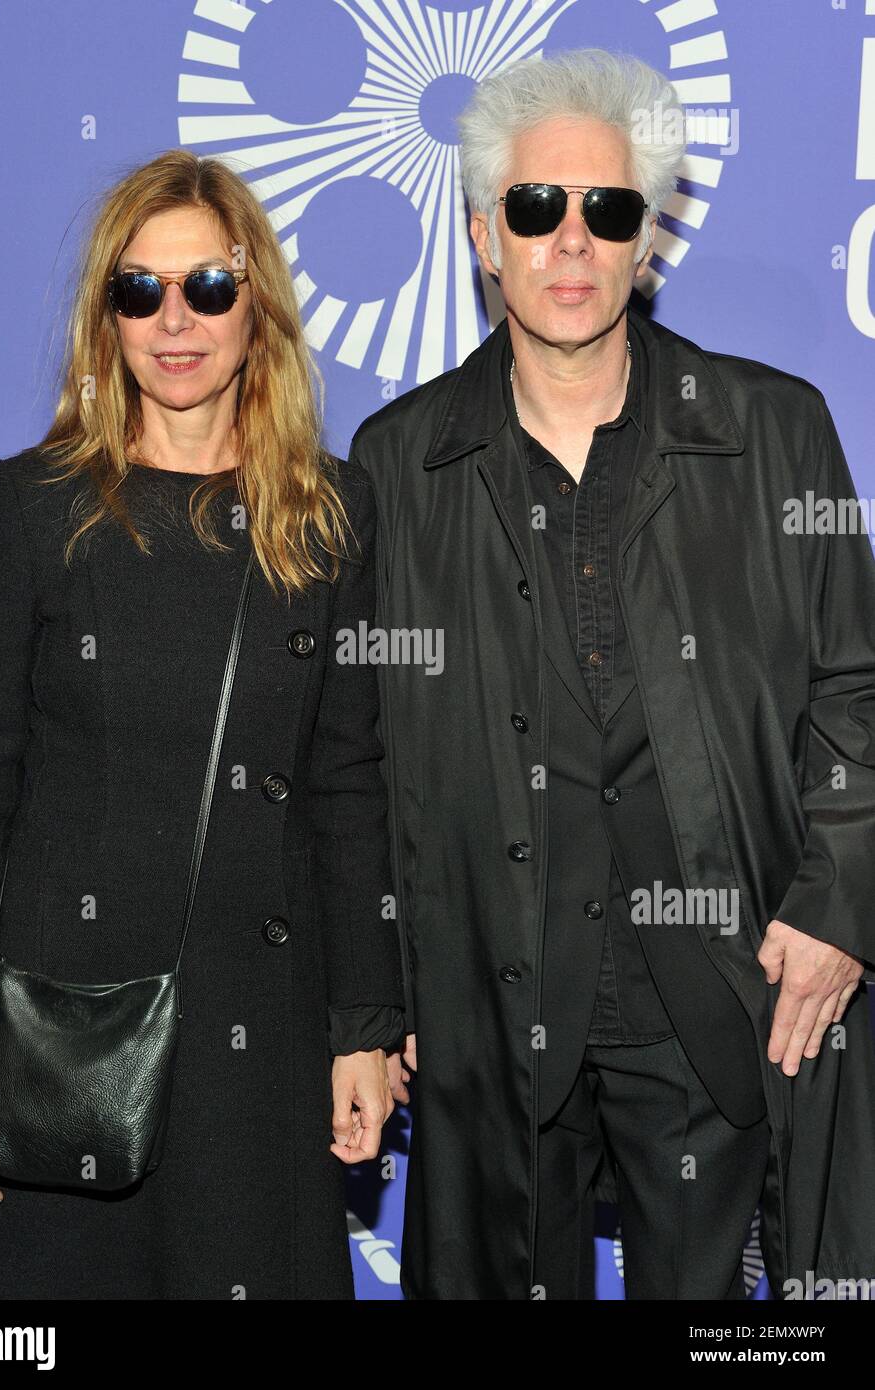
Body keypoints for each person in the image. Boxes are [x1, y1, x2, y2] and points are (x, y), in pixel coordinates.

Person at [366, 49, 875, 1298]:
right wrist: (372, 1003)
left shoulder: (770, 433)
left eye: (608, 211)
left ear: (646, 240)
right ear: (486, 233)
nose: (570, 242)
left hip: (713, 1002)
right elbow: (354, 760)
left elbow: (857, 694)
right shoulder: (394, 465)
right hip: (487, 1011)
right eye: (536, 208)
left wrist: (834, 907)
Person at [0, 149, 405, 1300]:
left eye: (208, 288)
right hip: (65, 1040)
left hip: (260, 1042)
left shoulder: (329, 517)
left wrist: (364, 1025)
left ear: (256, 307)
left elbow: (348, 784)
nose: (173, 321)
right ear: (107, 317)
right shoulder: (34, 508)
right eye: (139, 291)